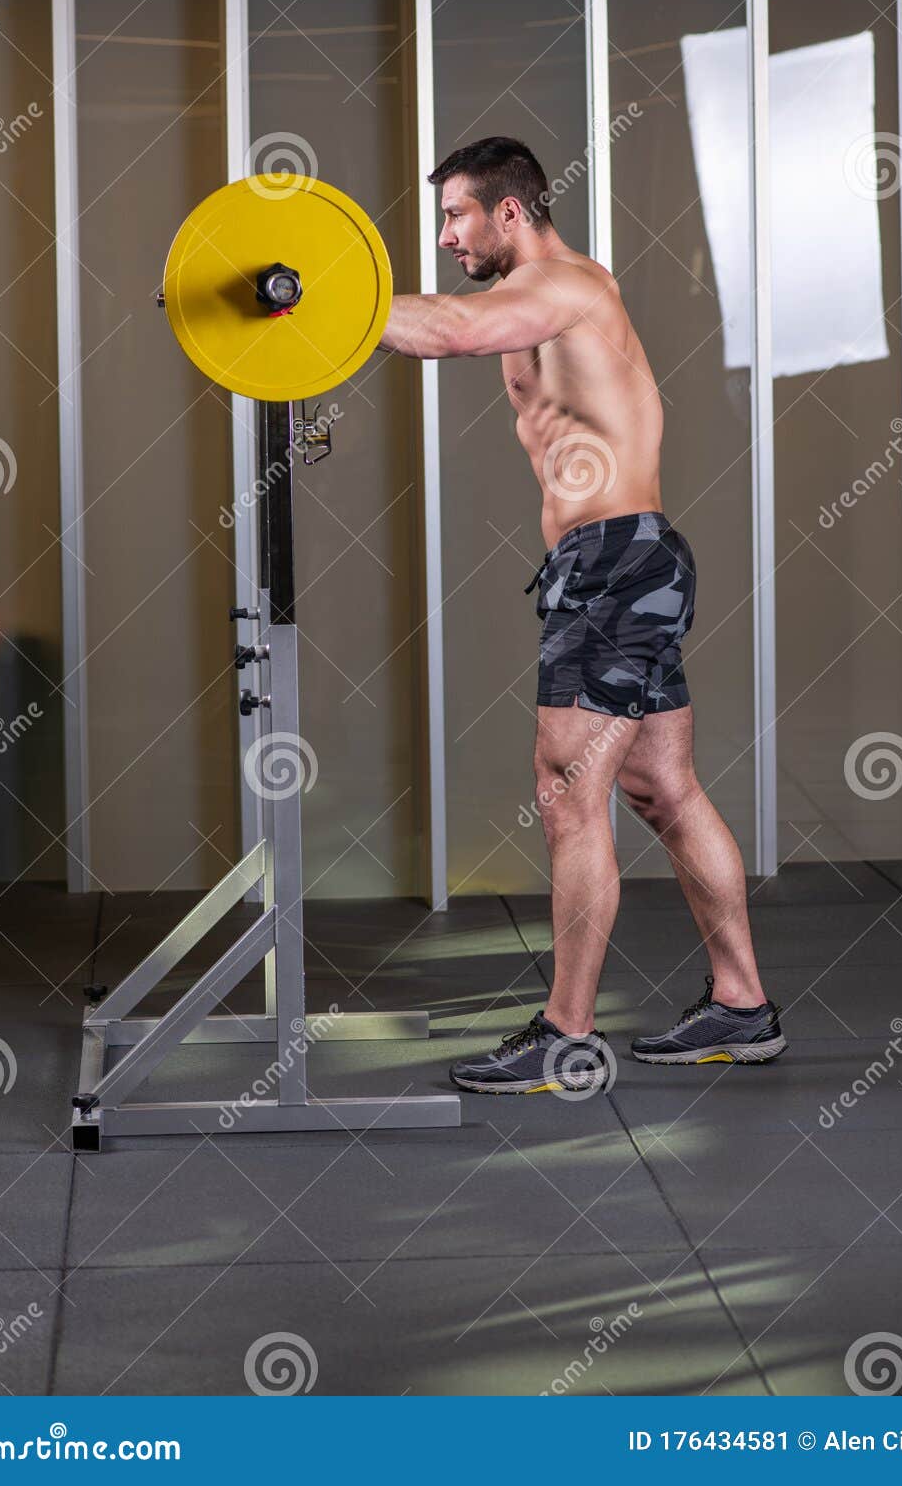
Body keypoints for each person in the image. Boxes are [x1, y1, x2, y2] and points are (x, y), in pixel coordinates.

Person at [380, 136, 785, 1093]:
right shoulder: (534, 300)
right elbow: (456, 323)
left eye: (455, 216)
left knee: (569, 797)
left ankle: (566, 1036)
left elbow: (448, 332)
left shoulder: (566, 286)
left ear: (508, 213)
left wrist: (306, 299)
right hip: (611, 562)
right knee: (661, 792)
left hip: (615, 565)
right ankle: (741, 1006)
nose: (445, 237)